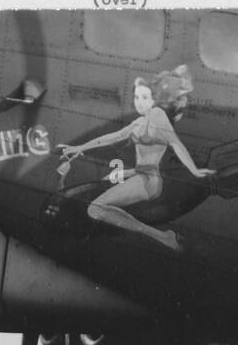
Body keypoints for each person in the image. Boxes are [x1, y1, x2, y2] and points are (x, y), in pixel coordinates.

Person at [57, 65, 214, 252]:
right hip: (139, 174)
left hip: (148, 181)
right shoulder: (139, 122)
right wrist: (80, 147)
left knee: (95, 208)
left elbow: (176, 144)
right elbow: (113, 137)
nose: (139, 102)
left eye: (144, 97)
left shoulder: (157, 116)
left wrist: (194, 170)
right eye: (136, 97)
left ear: (154, 100)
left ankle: (163, 237)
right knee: (104, 185)